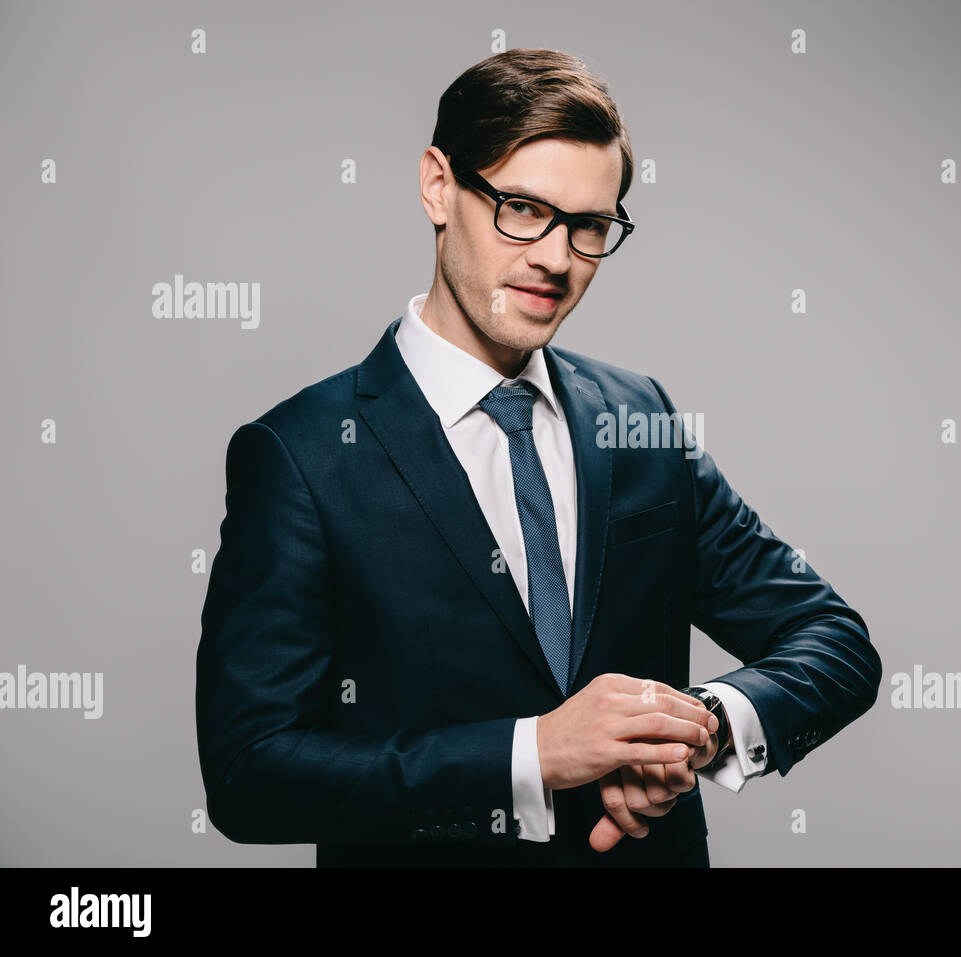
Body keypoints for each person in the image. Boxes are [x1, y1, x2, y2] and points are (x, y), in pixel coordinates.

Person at [195, 48, 882, 867]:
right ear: (438, 186)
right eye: (522, 208)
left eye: (590, 226)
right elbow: (250, 773)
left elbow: (833, 638)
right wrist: (532, 754)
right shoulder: (301, 455)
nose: (556, 259)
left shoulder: (640, 417)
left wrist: (691, 728)